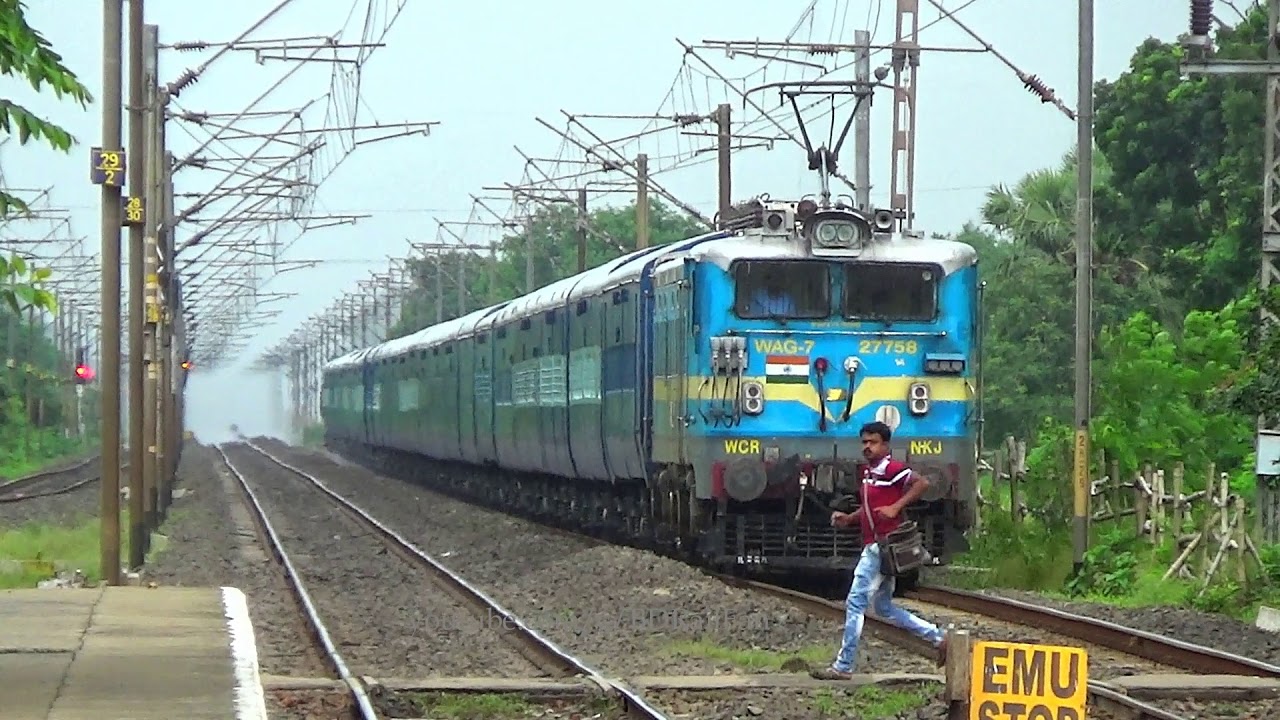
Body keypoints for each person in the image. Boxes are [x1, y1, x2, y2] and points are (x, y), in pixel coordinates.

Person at [810, 421, 947, 679]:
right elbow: (871, 508)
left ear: (885, 445)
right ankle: (939, 638)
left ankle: (843, 666)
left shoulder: (891, 469)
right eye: (864, 442)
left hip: (881, 546)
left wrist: (896, 507)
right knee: (883, 606)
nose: (867, 447)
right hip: (880, 546)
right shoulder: (869, 473)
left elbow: (921, 483)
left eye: (872, 443)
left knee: (855, 602)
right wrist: (850, 519)